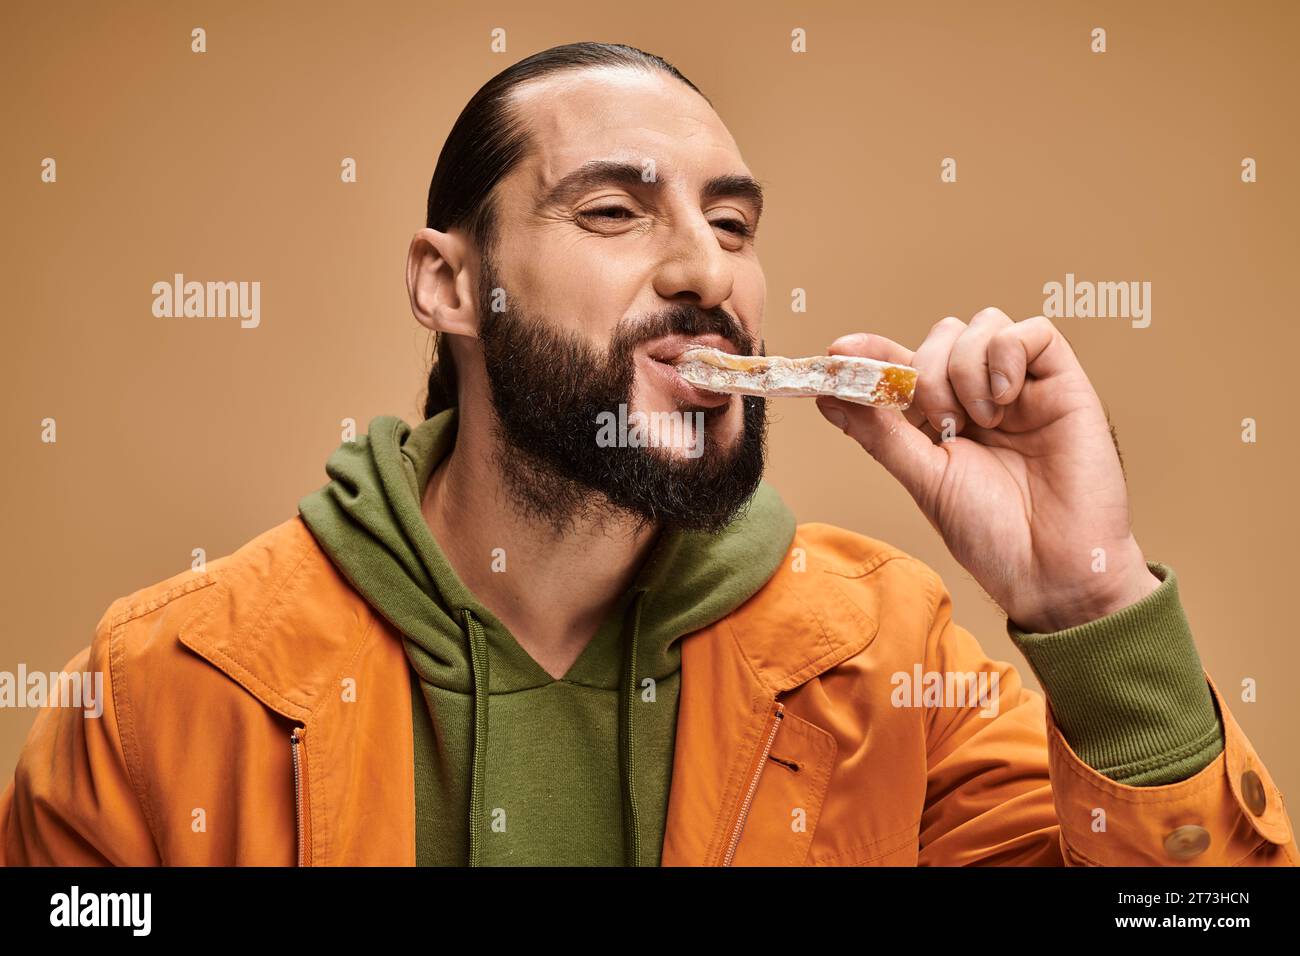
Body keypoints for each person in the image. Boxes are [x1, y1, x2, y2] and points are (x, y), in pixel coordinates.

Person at [1, 41, 1294, 867]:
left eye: (733, 226)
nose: (704, 270)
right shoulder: (169, 689)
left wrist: (1090, 597)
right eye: (614, 212)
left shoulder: (891, 664)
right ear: (448, 285)